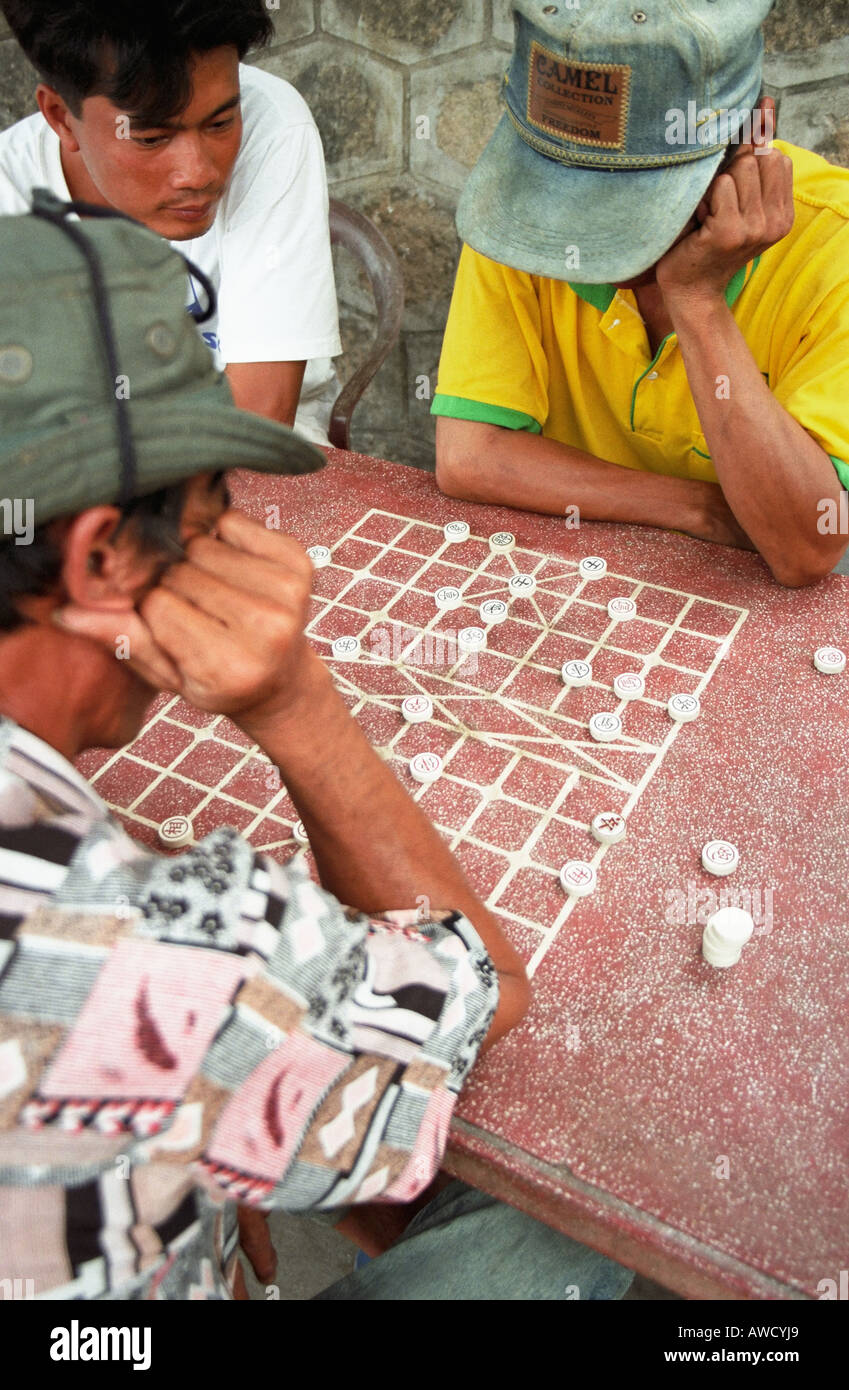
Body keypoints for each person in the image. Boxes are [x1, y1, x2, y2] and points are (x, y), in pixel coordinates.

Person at [0, 201, 635, 1301]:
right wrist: (298, 702)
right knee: (582, 1209)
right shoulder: (154, 941)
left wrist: (177, 1154)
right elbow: (474, 1014)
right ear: (104, 556)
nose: (228, 549)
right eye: (209, 518)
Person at [433, 0, 849, 588]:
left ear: (755, 136)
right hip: (579, 571)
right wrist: (697, 507)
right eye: (565, 192)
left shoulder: (837, 248)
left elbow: (805, 546)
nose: (582, 235)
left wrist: (699, 301)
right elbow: (470, 457)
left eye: (633, 205)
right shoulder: (525, 211)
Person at [0, 0, 342, 446]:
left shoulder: (274, 126)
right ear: (62, 117)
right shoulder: (11, 193)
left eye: (220, 123)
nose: (198, 173)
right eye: (152, 138)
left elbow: (258, 418)